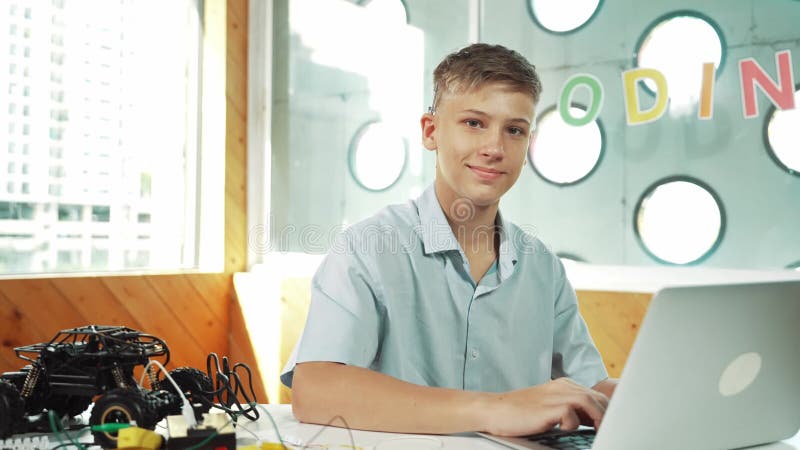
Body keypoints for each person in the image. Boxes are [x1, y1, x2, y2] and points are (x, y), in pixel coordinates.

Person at [280, 43, 618, 437]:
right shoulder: (367, 249)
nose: (495, 148)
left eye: (514, 130)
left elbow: (589, 388)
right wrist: (495, 410)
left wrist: (662, 401)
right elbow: (316, 390)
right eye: (474, 123)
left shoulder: (544, 268)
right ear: (431, 131)